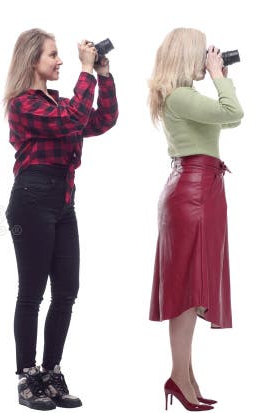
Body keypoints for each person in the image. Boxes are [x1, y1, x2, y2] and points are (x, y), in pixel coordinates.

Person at [2, 28, 118, 410]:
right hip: (32, 199)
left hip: (64, 201)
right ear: (32, 60)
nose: (60, 61)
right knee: (31, 293)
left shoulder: (61, 102)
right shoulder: (22, 104)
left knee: (67, 291)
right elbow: (70, 122)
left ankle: (51, 372)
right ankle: (27, 376)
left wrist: (102, 73)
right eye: (52, 55)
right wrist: (86, 70)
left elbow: (102, 119)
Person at [148, 27, 243, 412]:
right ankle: (179, 375)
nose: (209, 56)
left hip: (200, 189)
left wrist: (222, 78)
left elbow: (229, 120)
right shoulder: (181, 96)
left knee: (191, 289)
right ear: (187, 55)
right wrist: (220, 77)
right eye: (202, 51)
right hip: (194, 193)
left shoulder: (186, 97)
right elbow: (234, 111)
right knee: (187, 292)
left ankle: (185, 374)